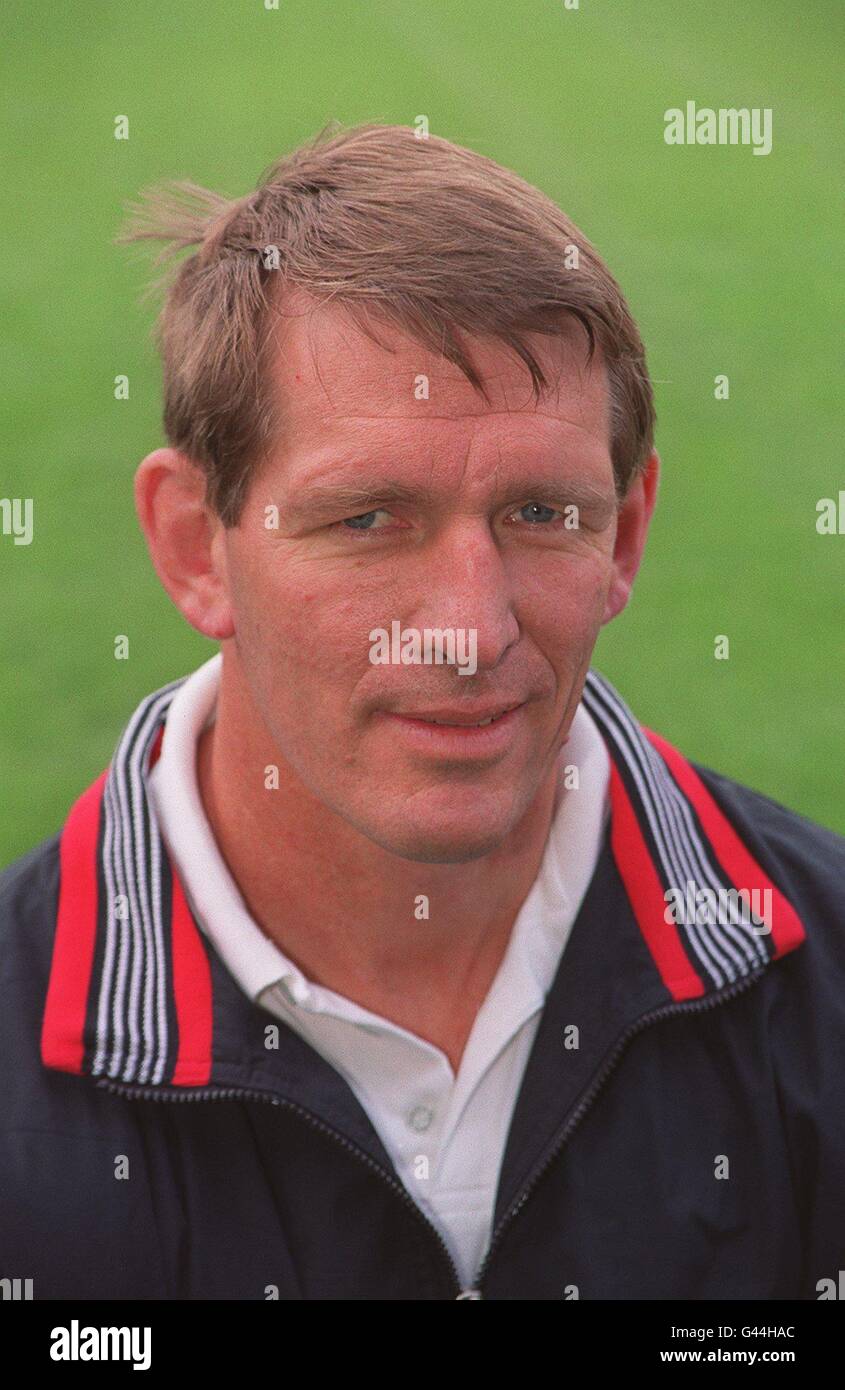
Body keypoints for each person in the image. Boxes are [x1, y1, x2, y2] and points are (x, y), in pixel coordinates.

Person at [1, 123, 843, 1301]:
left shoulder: (821, 982)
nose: (469, 629)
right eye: (367, 519)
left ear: (626, 533)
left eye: (541, 514)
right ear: (197, 545)